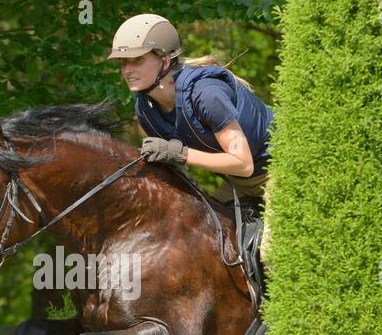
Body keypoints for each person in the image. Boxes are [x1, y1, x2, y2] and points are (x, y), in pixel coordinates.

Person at [107, 13, 274, 261]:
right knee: (195, 244)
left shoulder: (205, 94)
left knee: (271, 256)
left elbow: (244, 164)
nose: (127, 70)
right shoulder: (145, 109)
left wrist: (180, 153)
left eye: (137, 60)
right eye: (123, 63)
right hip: (238, 184)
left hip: (279, 171)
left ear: (164, 59)